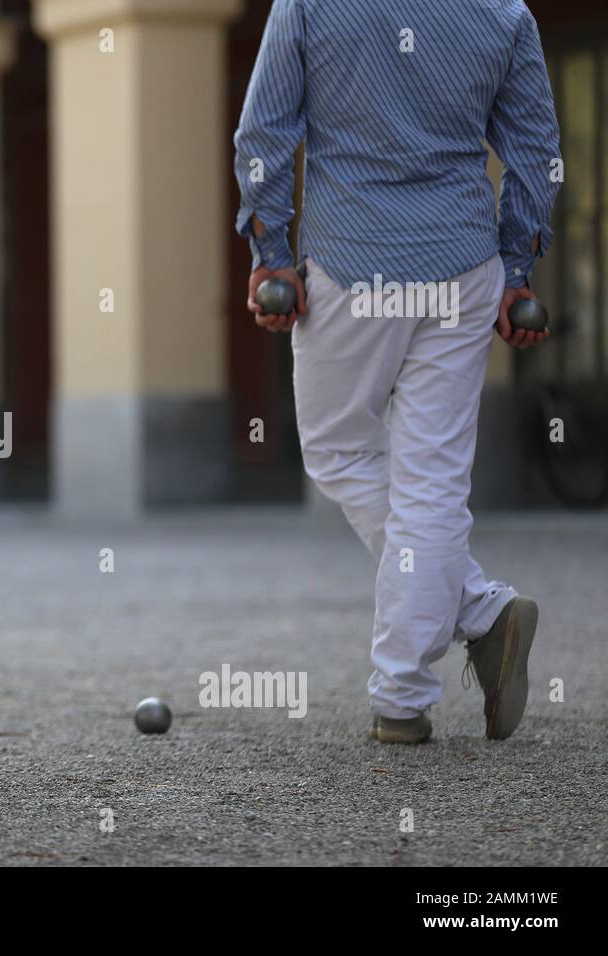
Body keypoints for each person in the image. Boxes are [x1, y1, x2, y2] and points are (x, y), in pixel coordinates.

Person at [234, 0, 560, 743]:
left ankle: (442, 653)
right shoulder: (504, 12)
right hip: (463, 264)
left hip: (353, 264)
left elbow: (264, 136)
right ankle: (424, 672)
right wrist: (516, 268)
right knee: (434, 478)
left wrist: (270, 254)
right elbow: (536, 151)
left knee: (339, 448)